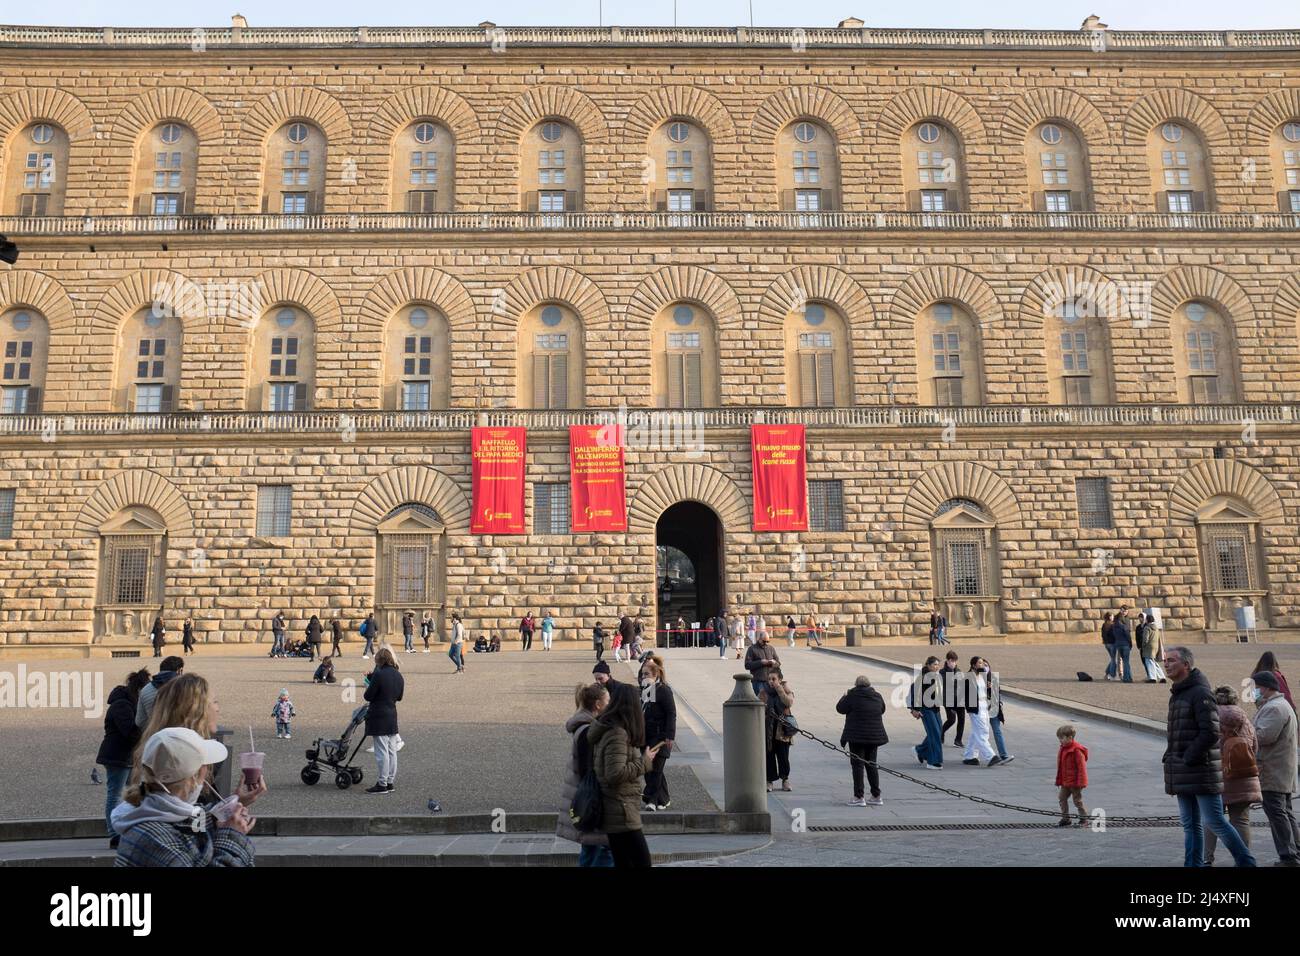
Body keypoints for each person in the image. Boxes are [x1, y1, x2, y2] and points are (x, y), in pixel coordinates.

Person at [1162, 646, 1256, 867]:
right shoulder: (1178, 693)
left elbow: (1211, 733)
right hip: (1182, 770)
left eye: (1171, 660)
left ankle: (1247, 862)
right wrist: (1171, 757)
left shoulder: (1201, 693)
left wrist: (1188, 757)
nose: (1166, 664)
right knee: (1190, 825)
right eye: (1165, 660)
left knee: (1215, 821)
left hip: (1200, 769)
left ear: (1186, 664)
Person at [112, 727, 256, 867]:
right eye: (205, 765)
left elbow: (188, 822)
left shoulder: (157, 812)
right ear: (194, 777)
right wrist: (232, 837)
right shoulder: (154, 839)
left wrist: (224, 814)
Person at [589, 682, 658, 868]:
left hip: (620, 808)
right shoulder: (617, 734)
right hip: (621, 810)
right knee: (641, 862)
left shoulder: (613, 730)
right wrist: (644, 761)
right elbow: (614, 773)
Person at [558, 682, 613, 867]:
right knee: (601, 849)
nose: (610, 704)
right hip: (592, 800)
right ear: (598, 704)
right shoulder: (588, 730)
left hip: (586, 797)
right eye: (608, 701)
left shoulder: (585, 726)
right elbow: (588, 770)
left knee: (591, 848)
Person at [1203, 686, 1259, 865]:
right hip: (1244, 776)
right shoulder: (1245, 719)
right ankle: (1243, 859)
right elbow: (1255, 747)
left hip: (1216, 776)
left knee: (1211, 819)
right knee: (1241, 820)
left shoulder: (1210, 718)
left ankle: (1207, 859)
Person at [97, 668, 150, 848]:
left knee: (130, 794)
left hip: (126, 756)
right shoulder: (122, 705)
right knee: (115, 794)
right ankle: (114, 834)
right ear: (139, 689)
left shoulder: (128, 703)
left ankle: (124, 829)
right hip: (117, 755)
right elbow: (129, 731)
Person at [1251, 670, 1300, 865]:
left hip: (1272, 768)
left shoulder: (1274, 708)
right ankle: (1294, 848)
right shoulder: (1277, 705)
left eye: (1257, 687)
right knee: (1284, 811)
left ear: (1267, 687)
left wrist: (1247, 731)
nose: (1255, 691)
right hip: (1278, 767)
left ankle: (1288, 855)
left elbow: (1264, 736)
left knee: (1277, 812)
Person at [838, 675, 887, 806]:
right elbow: (882, 709)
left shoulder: (852, 696)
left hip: (856, 737)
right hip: (874, 737)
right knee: (872, 765)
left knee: (858, 766)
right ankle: (876, 796)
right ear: (869, 685)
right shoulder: (877, 696)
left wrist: (844, 696)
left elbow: (840, 709)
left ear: (856, 685)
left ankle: (859, 797)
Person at [364, 648, 405, 794]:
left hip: (379, 715)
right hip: (392, 715)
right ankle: (389, 782)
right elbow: (399, 697)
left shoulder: (379, 675)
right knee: (392, 751)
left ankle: (382, 783)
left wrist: (370, 682)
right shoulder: (399, 675)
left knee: (382, 753)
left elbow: (368, 696)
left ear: (379, 661)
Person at [641, 655, 677, 811]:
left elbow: (671, 713)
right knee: (649, 770)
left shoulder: (663, 690)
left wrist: (670, 735)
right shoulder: (643, 691)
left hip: (661, 736)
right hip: (646, 736)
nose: (643, 677)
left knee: (656, 769)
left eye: (646, 674)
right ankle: (664, 798)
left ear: (656, 675)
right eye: (642, 674)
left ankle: (652, 800)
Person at [762, 670, 795, 793]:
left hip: (782, 729)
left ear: (780, 680)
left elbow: (788, 702)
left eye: (774, 679)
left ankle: (785, 779)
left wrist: (779, 689)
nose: (771, 681)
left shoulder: (787, 690)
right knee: (769, 755)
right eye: (769, 679)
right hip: (768, 728)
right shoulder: (764, 691)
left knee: (783, 756)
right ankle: (769, 781)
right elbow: (758, 704)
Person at [908, 656, 944, 770]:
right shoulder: (923, 677)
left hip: (936, 709)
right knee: (934, 734)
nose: (936, 666)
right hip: (925, 709)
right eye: (934, 664)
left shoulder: (937, 676)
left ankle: (920, 750)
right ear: (928, 665)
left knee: (938, 732)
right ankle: (933, 761)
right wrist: (914, 709)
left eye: (938, 664)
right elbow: (914, 692)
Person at [961, 657, 998, 767]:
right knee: (982, 732)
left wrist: (988, 688)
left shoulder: (982, 676)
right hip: (975, 707)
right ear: (973, 665)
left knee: (975, 732)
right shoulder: (968, 677)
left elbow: (984, 692)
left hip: (984, 705)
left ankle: (969, 756)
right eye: (980, 663)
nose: (982, 665)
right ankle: (990, 756)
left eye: (982, 663)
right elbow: (962, 693)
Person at [1055, 724, 1089, 827]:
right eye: (1059, 738)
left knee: (1077, 801)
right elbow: (1061, 766)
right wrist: (1059, 779)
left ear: (1070, 738)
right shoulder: (1063, 748)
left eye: (1062, 738)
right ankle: (1066, 818)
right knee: (1062, 798)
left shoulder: (1077, 750)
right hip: (1066, 781)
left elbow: (1082, 768)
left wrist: (1081, 782)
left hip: (1075, 782)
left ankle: (1084, 819)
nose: (1060, 740)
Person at [135, 656, 183, 729]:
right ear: (180, 670)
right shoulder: (186, 688)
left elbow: (139, 722)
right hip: (181, 736)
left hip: (153, 735)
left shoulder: (145, 690)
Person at [982, 657, 1014, 765]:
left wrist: (1000, 703)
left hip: (993, 709)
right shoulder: (975, 678)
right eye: (983, 665)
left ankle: (1003, 755)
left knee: (997, 731)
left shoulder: (993, 678)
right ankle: (970, 755)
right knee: (978, 734)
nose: (985, 667)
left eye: (986, 665)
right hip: (981, 710)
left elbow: (998, 693)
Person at [939, 649, 966, 748]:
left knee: (962, 719)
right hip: (948, 700)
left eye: (955, 661)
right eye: (952, 661)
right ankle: (941, 732)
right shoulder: (942, 672)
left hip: (959, 700)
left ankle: (958, 740)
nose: (954, 663)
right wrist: (950, 671)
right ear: (948, 661)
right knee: (951, 720)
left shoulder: (959, 671)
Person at [744, 628, 781, 697]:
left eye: (768, 641)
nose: (766, 643)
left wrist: (774, 663)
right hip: (758, 681)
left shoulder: (771, 648)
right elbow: (747, 665)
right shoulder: (752, 649)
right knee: (760, 701)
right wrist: (760, 662)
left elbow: (778, 663)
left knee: (771, 702)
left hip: (771, 681)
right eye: (764, 641)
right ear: (759, 639)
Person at [1138, 613, 1166, 683]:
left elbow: (1145, 639)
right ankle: (1162, 676)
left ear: (1147, 620)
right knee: (1154, 662)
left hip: (1148, 647)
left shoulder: (1147, 628)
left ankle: (1152, 678)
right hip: (1155, 646)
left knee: (1149, 662)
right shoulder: (1156, 628)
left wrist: (1143, 645)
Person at [1110, 606, 1135, 683]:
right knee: (1126, 662)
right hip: (1125, 644)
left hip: (1118, 644)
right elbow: (1127, 635)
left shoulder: (1114, 625)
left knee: (1123, 661)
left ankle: (1127, 677)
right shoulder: (1123, 626)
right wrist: (1130, 643)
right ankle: (1127, 678)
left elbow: (1114, 635)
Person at [1101, 611, 1117, 681]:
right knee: (1113, 660)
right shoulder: (1112, 625)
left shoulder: (1104, 624)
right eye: (1112, 616)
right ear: (1109, 617)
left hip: (1106, 644)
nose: (1113, 617)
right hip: (1112, 644)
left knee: (1112, 659)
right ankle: (1111, 675)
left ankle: (1107, 673)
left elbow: (1103, 635)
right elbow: (1114, 635)